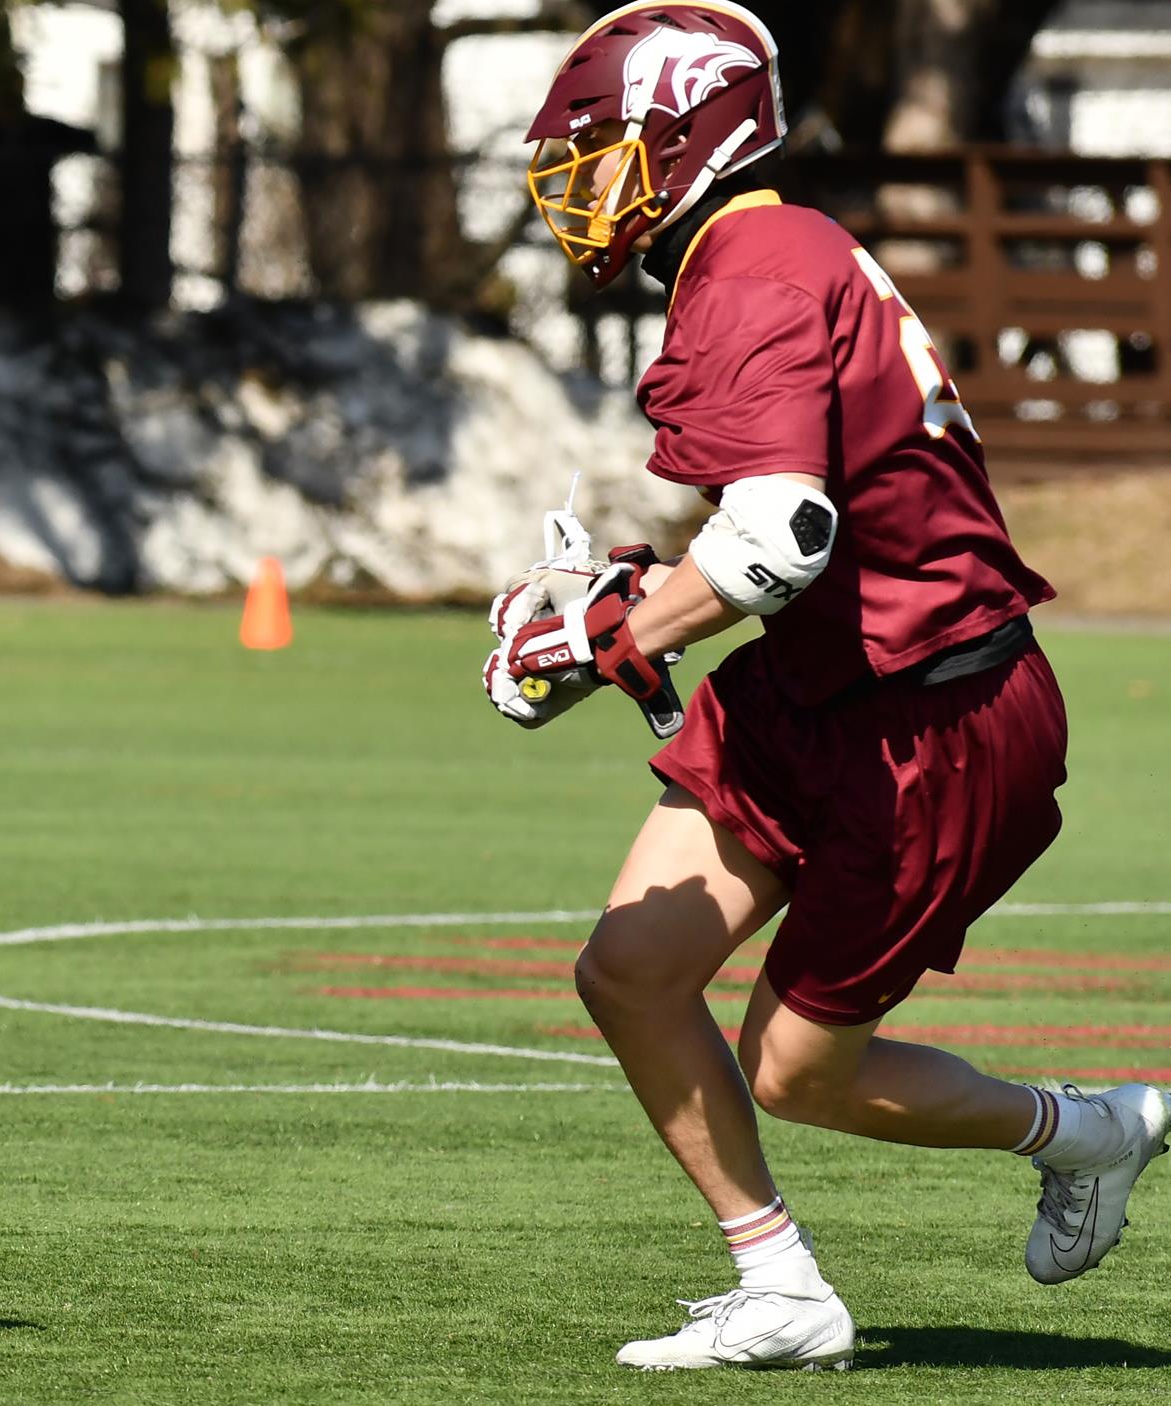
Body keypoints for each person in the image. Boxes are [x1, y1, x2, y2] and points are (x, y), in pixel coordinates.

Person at [479, 1, 1165, 1372]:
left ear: (691, 140)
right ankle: (782, 1289)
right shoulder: (760, 249)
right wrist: (626, 600)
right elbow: (789, 528)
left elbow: (783, 537)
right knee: (630, 968)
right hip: (825, 678)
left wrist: (614, 633)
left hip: (935, 708)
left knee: (800, 1069)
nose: (582, 186)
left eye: (606, 152)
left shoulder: (759, 266)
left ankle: (1087, 1126)